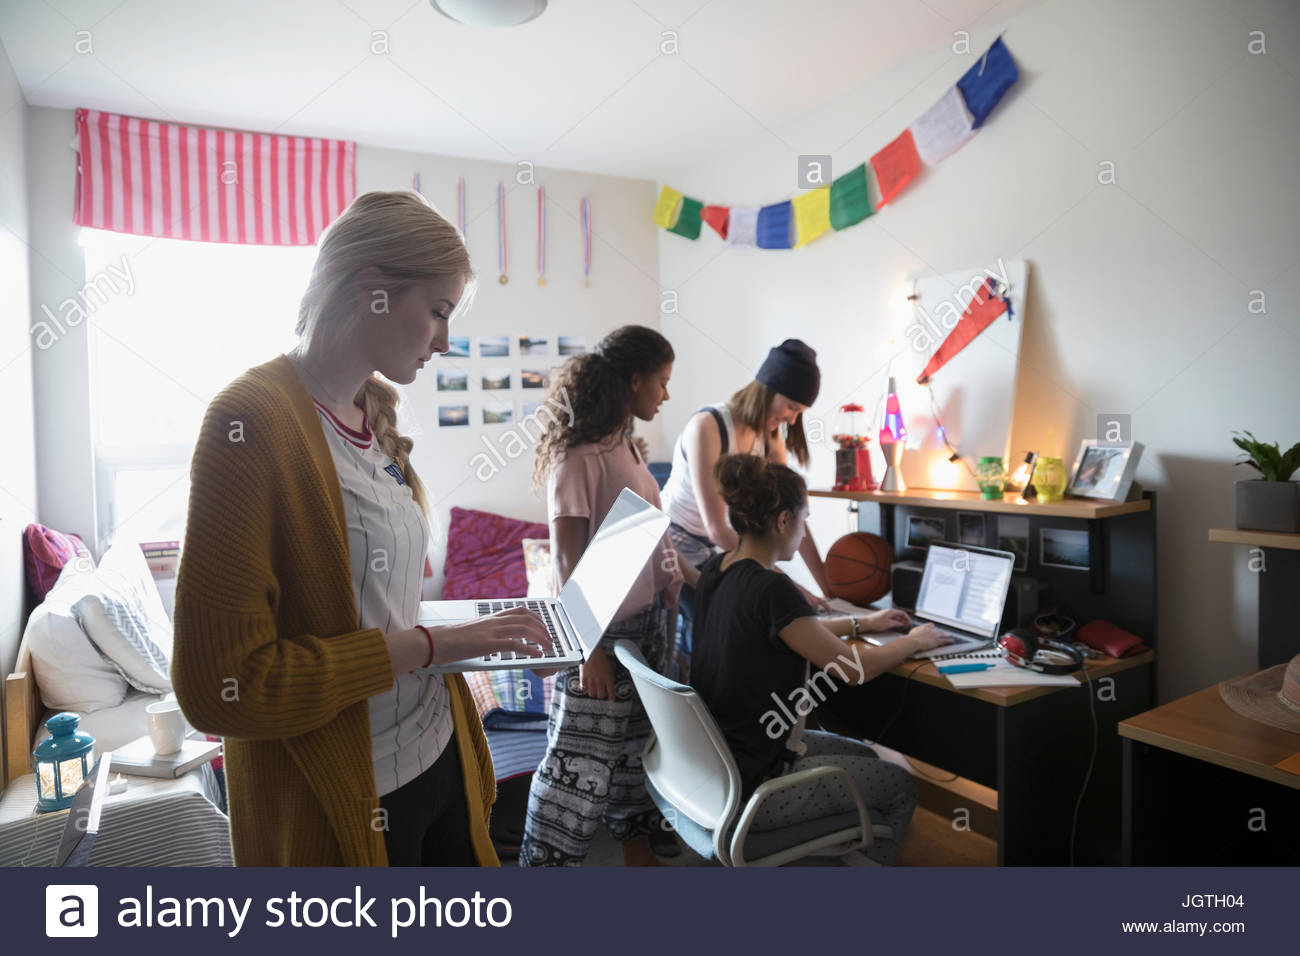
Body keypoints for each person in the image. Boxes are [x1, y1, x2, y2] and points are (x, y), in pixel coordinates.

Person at [172, 190, 552, 867]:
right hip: (354, 788)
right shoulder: (251, 422)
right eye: (437, 312)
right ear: (372, 289)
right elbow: (220, 688)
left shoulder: (365, 411)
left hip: (439, 750)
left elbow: (377, 606)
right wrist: (431, 645)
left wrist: (467, 636)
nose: (444, 340)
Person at [690, 454, 953, 864]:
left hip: (721, 765)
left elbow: (793, 630)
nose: (803, 530)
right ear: (781, 521)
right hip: (756, 784)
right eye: (803, 518)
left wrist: (862, 624)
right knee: (901, 786)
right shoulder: (772, 588)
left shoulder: (717, 569)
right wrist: (914, 640)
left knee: (865, 755)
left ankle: (837, 859)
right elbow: (855, 670)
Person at [520, 325, 687, 866]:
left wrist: (704, 580)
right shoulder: (580, 456)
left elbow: (651, 532)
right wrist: (588, 649)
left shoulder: (627, 447)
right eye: (661, 382)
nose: (665, 394)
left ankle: (639, 861)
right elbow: (566, 559)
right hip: (600, 633)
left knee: (632, 761)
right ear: (634, 380)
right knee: (576, 768)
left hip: (642, 630)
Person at [660, 339, 833, 678]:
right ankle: (703, 709)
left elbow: (793, 513)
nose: (793, 419)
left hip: (720, 547)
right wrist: (791, 587)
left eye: (799, 412)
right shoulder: (707, 427)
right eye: (792, 407)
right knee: (718, 618)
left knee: (762, 610)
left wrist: (827, 587)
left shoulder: (770, 437)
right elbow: (717, 529)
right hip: (676, 542)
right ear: (768, 388)